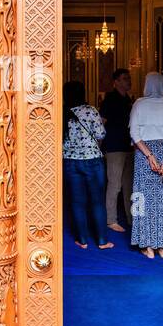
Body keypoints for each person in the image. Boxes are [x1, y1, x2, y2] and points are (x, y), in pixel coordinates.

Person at [128, 72, 163, 259]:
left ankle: (147, 246)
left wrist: (150, 156)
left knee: (143, 200)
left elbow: (135, 135)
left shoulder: (138, 105)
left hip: (145, 156)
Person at [62, 80, 113, 250]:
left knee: (77, 202)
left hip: (70, 161)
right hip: (92, 161)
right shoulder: (90, 110)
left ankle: (82, 240)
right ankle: (102, 241)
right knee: (97, 201)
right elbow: (101, 134)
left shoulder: (61, 112)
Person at [99, 68, 135, 234]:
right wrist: (100, 145)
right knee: (115, 184)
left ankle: (131, 217)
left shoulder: (129, 100)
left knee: (128, 185)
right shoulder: (110, 99)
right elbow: (102, 122)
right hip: (114, 146)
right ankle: (111, 219)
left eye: (128, 78)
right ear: (117, 82)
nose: (128, 81)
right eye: (124, 78)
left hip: (129, 146)